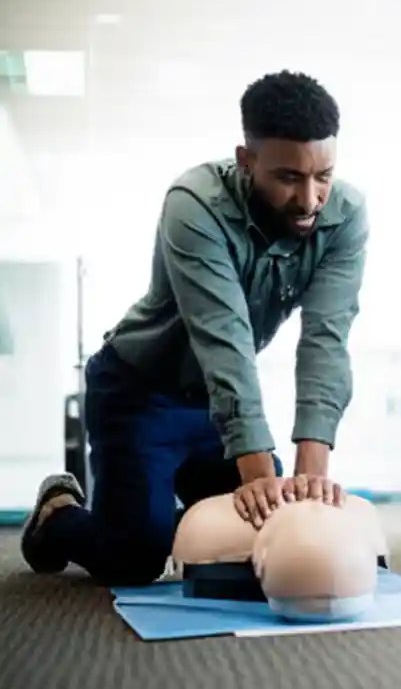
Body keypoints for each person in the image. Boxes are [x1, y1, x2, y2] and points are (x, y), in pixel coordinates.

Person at [21, 70, 369, 585]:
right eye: (288, 177)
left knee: (264, 536)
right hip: (139, 394)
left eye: (323, 175)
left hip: (212, 407)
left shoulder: (346, 215)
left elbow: (327, 338)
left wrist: (310, 484)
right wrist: (259, 477)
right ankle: (58, 513)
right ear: (246, 160)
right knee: (135, 558)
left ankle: (167, 517)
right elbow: (223, 338)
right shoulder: (194, 203)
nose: (309, 198)